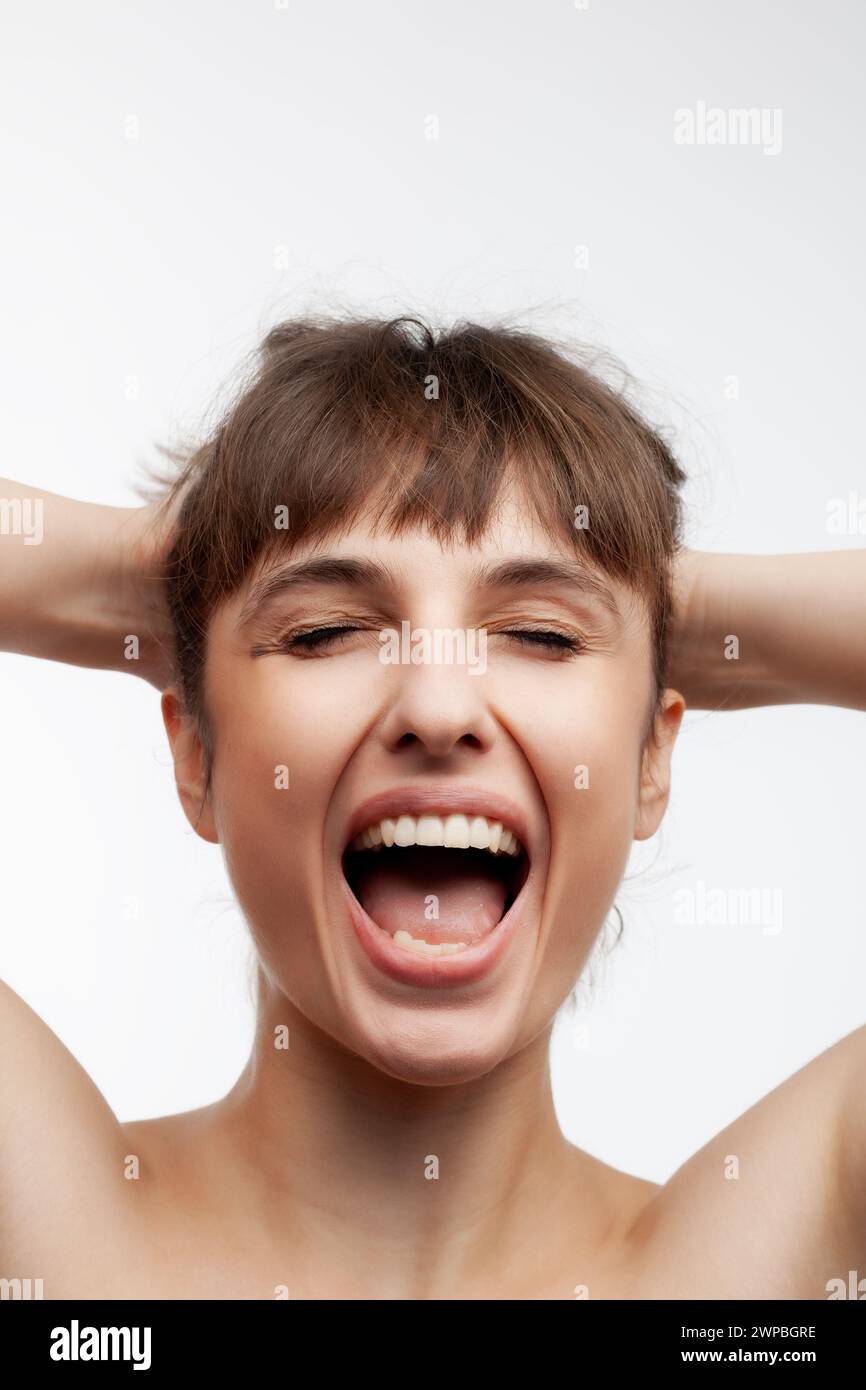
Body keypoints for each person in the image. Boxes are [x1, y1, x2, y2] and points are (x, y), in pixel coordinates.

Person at [1, 316, 863, 1300]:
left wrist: (664, 598)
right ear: (197, 754)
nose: (439, 706)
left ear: (651, 757)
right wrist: (150, 573)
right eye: (324, 629)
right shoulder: (49, 1243)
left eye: (538, 634)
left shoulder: (749, 1282)